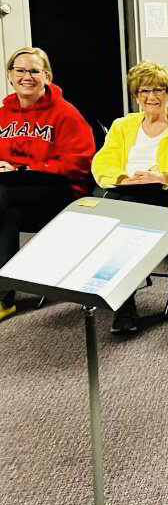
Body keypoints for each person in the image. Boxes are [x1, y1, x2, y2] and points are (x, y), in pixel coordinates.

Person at [92, 62, 168, 333]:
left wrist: (163, 177)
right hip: (124, 191)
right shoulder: (122, 126)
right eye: (144, 91)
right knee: (115, 211)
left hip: (164, 195)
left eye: (158, 90)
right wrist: (123, 178)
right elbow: (102, 164)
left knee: (118, 220)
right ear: (136, 95)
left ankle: (123, 307)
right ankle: (120, 298)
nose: (151, 97)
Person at [0, 47, 96, 320]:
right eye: (20, 70)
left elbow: (79, 163)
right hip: (11, 195)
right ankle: (3, 299)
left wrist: (26, 169)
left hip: (60, 192)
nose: (26, 76)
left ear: (47, 76)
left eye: (34, 71)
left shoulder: (65, 113)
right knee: (7, 213)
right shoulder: (3, 114)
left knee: (2, 196)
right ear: (10, 75)